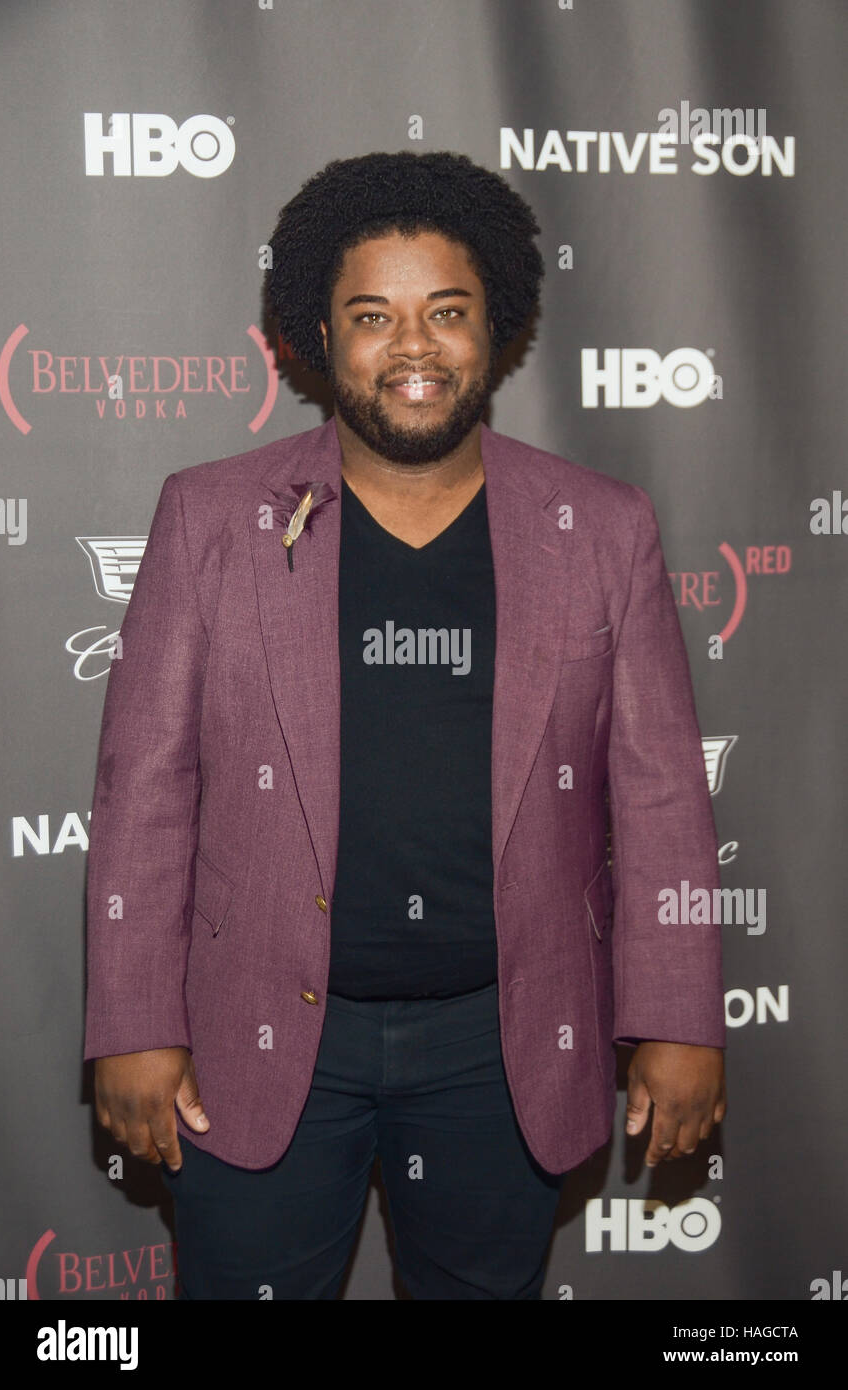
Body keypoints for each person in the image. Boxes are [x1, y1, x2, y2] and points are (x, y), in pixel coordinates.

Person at [84, 150, 726, 1301]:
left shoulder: (602, 529)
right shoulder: (211, 518)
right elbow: (146, 787)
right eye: (372, 315)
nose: (414, 348)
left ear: (501, 328)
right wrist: (131, 1019)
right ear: (319, 338)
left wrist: (679, 1016)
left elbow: (664, 794)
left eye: (448, 313)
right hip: (258, 1034)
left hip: (505, 1043)